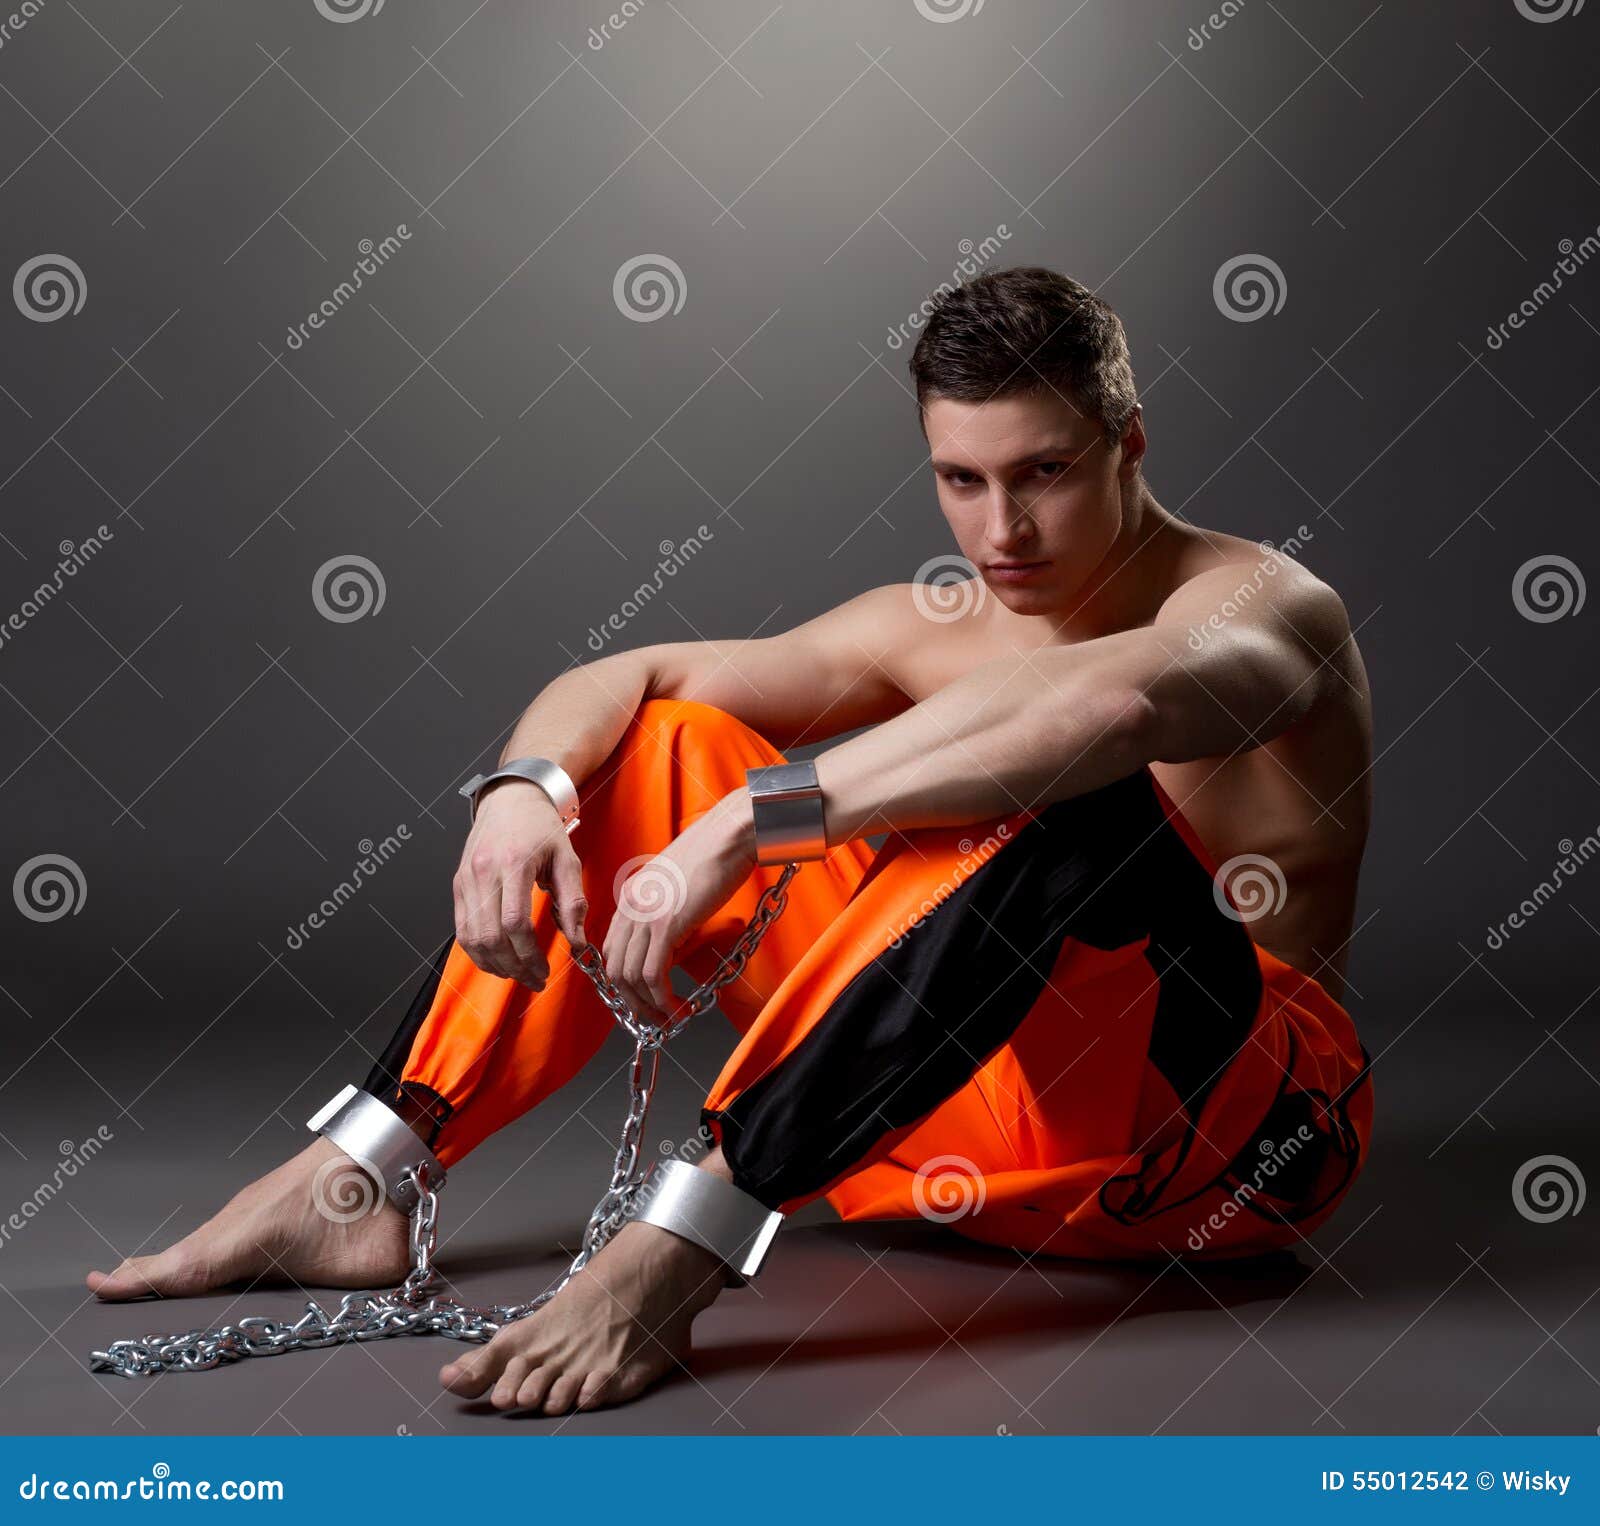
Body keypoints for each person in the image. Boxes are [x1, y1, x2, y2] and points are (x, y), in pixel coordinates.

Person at [86, 266, 1374, 1416]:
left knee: (1074, 791)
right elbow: (637, 674)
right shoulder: (923, 622)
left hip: (1214, 1147)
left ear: (1129, 446)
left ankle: (683, 1241)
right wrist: (524, 788)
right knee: (665, 741)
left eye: (1045, 472)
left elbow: (1116, 704)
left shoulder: (1262, 604)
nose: (1001, 534)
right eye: (962, 481)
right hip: (938, 1140)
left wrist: (764, 818)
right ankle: (364, 1173)